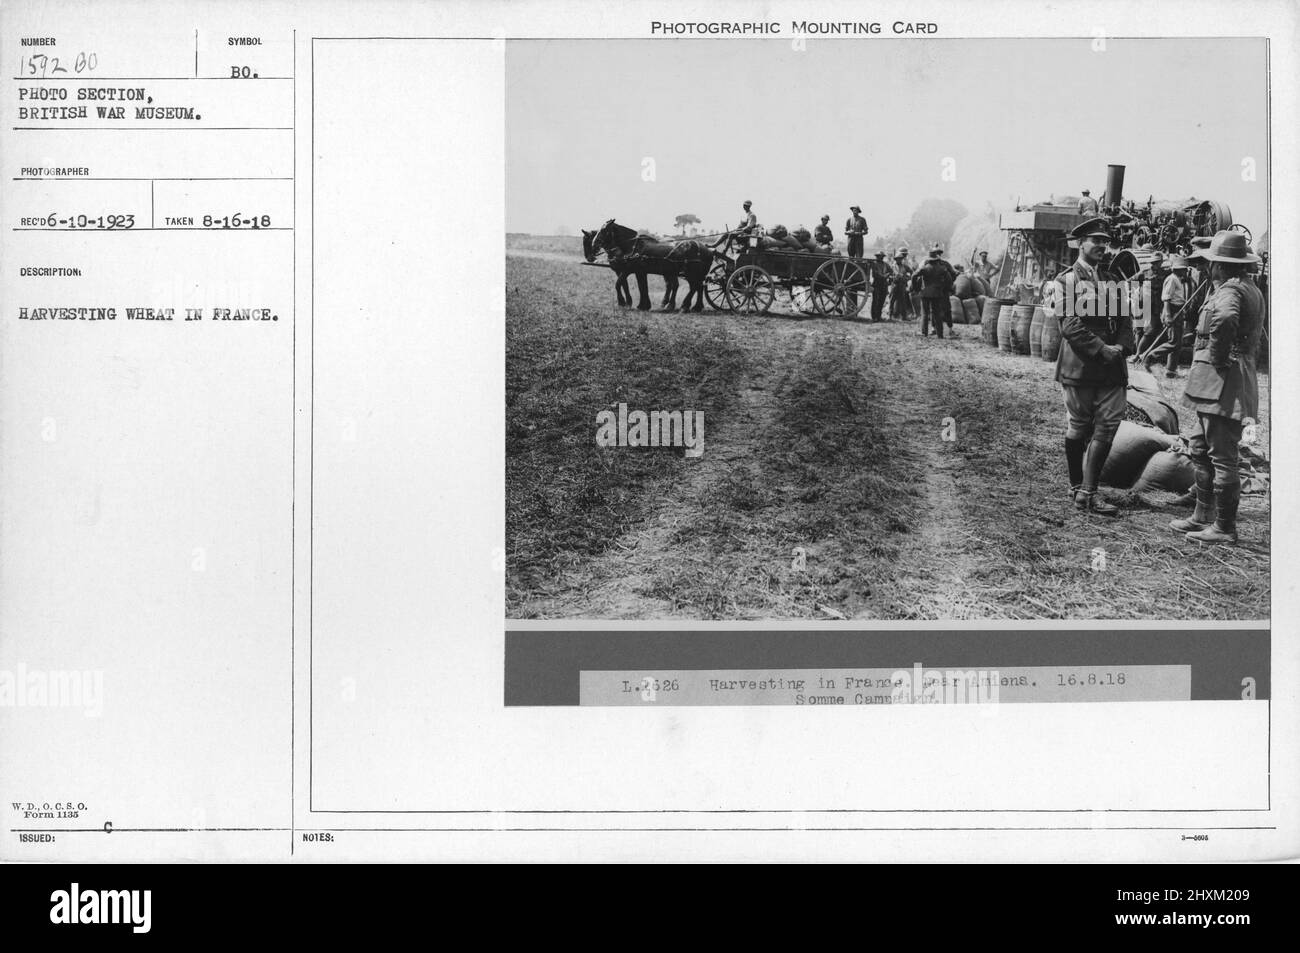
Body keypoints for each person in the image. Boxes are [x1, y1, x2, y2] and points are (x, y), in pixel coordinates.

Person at [1169, 231, 1265, 544]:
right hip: (1217, 383)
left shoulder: (1230, 292)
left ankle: (1224, 527)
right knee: (1199, 446)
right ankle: (1201, 516)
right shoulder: (1242, 287)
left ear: (1220, 266)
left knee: (1222, 456)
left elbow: (1223, 321)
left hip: (1224, 381)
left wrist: (1218, 357)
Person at [1052, 218, 1136, 516]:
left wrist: (1122, 348)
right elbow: (1069, 325)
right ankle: (1077, 487)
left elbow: (1126, 321)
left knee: (1108, 426)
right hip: (1081, 364)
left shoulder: (1114, 280)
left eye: (1105, 241)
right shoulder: (1064, 281)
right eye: (1095, 240)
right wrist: (1102, 349)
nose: (1101, 245)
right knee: (1079, 425)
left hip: (1112, 367)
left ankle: (1089, 492)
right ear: (1080, 244)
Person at [914, 245, 957, 338]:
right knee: (937, 313)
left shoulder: (926, 266)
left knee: (927, 313)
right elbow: (951, 277)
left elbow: (914, 276)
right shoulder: (942, 267)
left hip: (927, 292)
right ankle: (939, 333)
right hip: (938, 292)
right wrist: (947, 287)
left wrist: (916, 288)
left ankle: (925, 332)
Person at [890, 247, 914, 320]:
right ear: (895, 259)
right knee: (892, 301)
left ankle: (904, 317)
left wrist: (907, 278)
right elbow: (888, 274)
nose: (899, 260)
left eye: (900, 259)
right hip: (894, 285)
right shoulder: (892, 266)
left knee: (903, 301)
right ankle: (890, 316)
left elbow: (912, 272)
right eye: (897, 259)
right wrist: (892, 278)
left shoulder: (905, 266)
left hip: (902, 285)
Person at [869, 251, 890, 322]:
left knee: (882, 301)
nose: (880, 258)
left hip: (884, 284)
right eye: (878, 256)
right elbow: (875, 274)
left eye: (881, 257)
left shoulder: (886, 264)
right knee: (875, 301)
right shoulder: (874, 264)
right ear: (876, 257)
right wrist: (884, 276)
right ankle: (874, 317)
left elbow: (891, 271)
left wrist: (887, 275)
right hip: (876, 284)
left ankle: (879, 316)